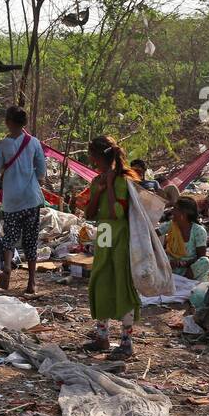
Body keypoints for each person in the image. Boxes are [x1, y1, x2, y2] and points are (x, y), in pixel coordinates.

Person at [83, 135, 140, 359]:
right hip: (105, 231)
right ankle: (102, 336)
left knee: (122, 283)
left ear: (98, 156)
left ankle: (126, 342)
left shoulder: (125, 181)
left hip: (121, 233)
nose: (90, 160)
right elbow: (89, 214)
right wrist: (97, 191)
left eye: (91, 155)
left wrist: (108, 187)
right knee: (101, 281)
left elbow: (118, 212)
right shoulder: (95, 181)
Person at [0, 106, 47, 293]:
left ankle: (6, 266)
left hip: (12, 201)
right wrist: (32, 180)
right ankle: (31, 282)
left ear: (8, 122)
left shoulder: (3, 145)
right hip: (31, 199)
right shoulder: (34, 142)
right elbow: (42, 171)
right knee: (30, 240)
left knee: (10, 237)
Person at [162, 196, 209, 280]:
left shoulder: (199, 231)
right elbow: (153, 233)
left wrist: (181, 263)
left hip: (188, 270)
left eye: (175, 209)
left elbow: (200, 257)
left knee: (204, 261)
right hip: (169, 265)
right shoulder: (171, 225)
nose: (172, 211)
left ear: (183, 214)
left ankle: (183, 281)